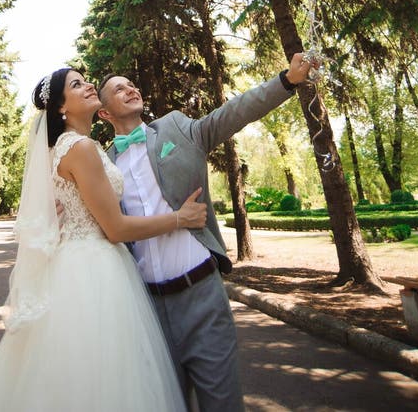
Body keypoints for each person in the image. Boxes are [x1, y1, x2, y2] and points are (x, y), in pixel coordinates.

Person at [0, 67, 207, 412]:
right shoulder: (79, 147)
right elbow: (116, 228)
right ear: (61, 107)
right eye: (76, 84)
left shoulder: (72, 147)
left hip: (75, 263)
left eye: (86, 80)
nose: (89, 85)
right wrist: (179, 219)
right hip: (94, 270)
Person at [97, 53, 315, 412]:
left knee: (221, 404)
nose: (131, 89)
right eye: (120, 89)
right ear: (104, 113)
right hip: (146, 309)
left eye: (132, 84)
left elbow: (233, 113)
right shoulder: (104, 164)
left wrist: (287, 81)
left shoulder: (175, 127)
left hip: (201, 296)